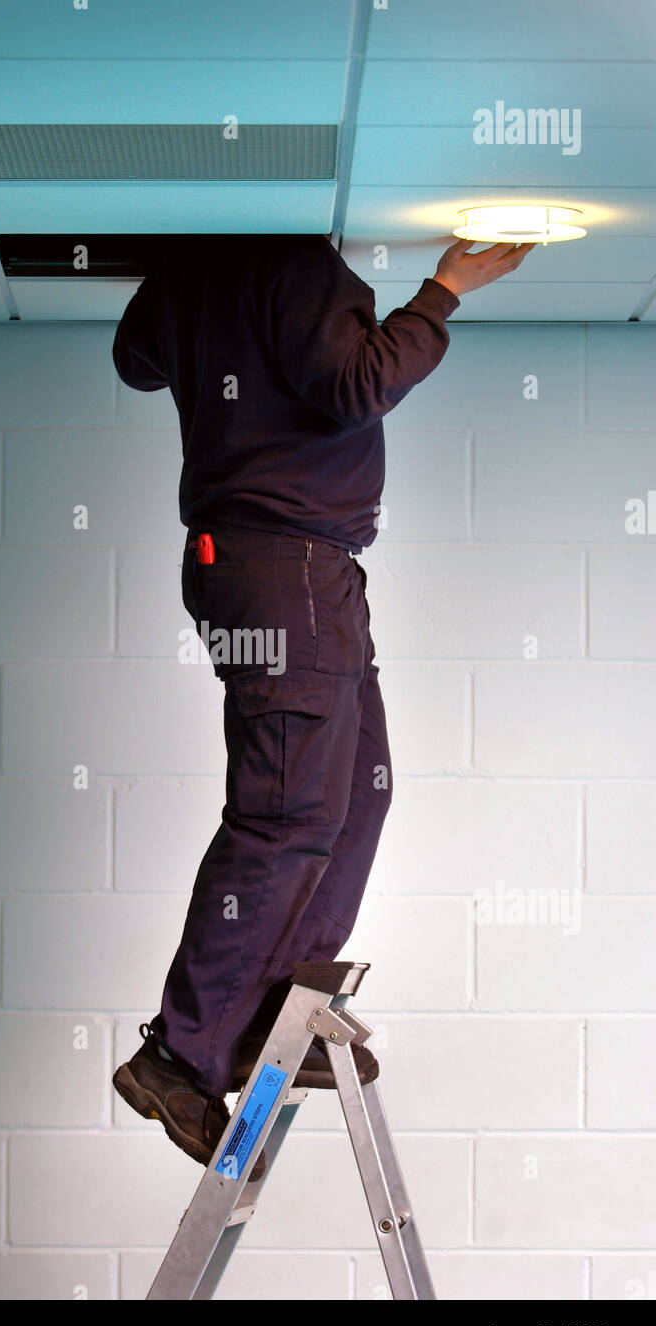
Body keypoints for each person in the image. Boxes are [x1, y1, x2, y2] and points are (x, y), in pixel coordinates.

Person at [110, 232, 534, 1177]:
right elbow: (358, 384)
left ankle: (275, 1008)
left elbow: (135, 360)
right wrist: (444, 288)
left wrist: (201, 304)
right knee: (287, 812)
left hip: (296, 570)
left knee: (354, 797)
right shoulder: (295, 261)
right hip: (281, 563)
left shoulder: (196, 267)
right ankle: (176, 1053)